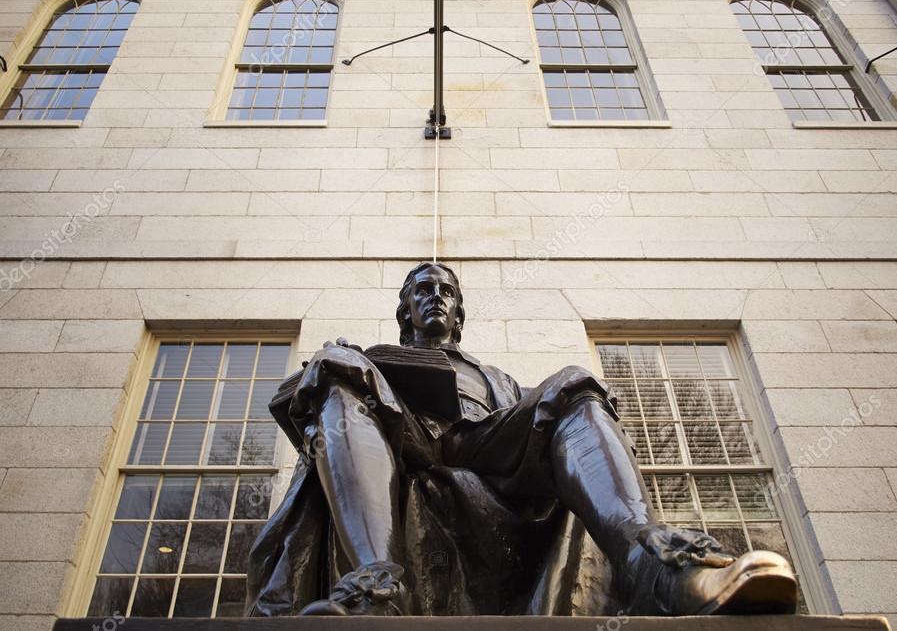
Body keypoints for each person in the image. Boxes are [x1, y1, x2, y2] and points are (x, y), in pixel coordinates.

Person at [246, 262, 797, 617]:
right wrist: (348, 361)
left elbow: (525, 426)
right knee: (334, 364)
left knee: (575, 385)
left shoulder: (497, 378)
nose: (435, 298)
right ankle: (376, 585)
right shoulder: (374, 361)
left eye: (446, 291)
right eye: (422, 291)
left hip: (488, 446)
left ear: (459, 312)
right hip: (406, 439)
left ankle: (652, 560)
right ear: (404, 310)